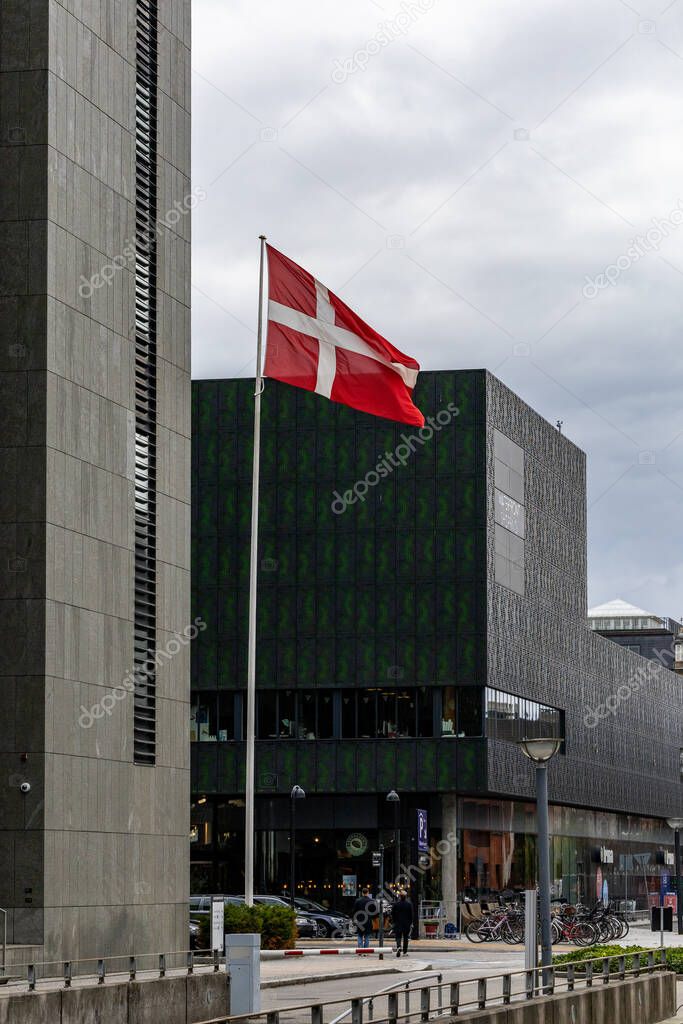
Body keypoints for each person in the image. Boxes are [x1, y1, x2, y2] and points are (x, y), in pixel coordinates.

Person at [391, 890, 414, 957]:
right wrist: (411, 923)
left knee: (398, 936)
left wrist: (394, 921)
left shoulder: (396, 904)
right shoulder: (409, 904)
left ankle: (398, 947)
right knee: (406, 937)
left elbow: (392, 914)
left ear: (400, 896)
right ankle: (404, 952)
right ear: (405, 897)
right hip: (406, 924)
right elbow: (411, 915)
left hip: (398, 923)